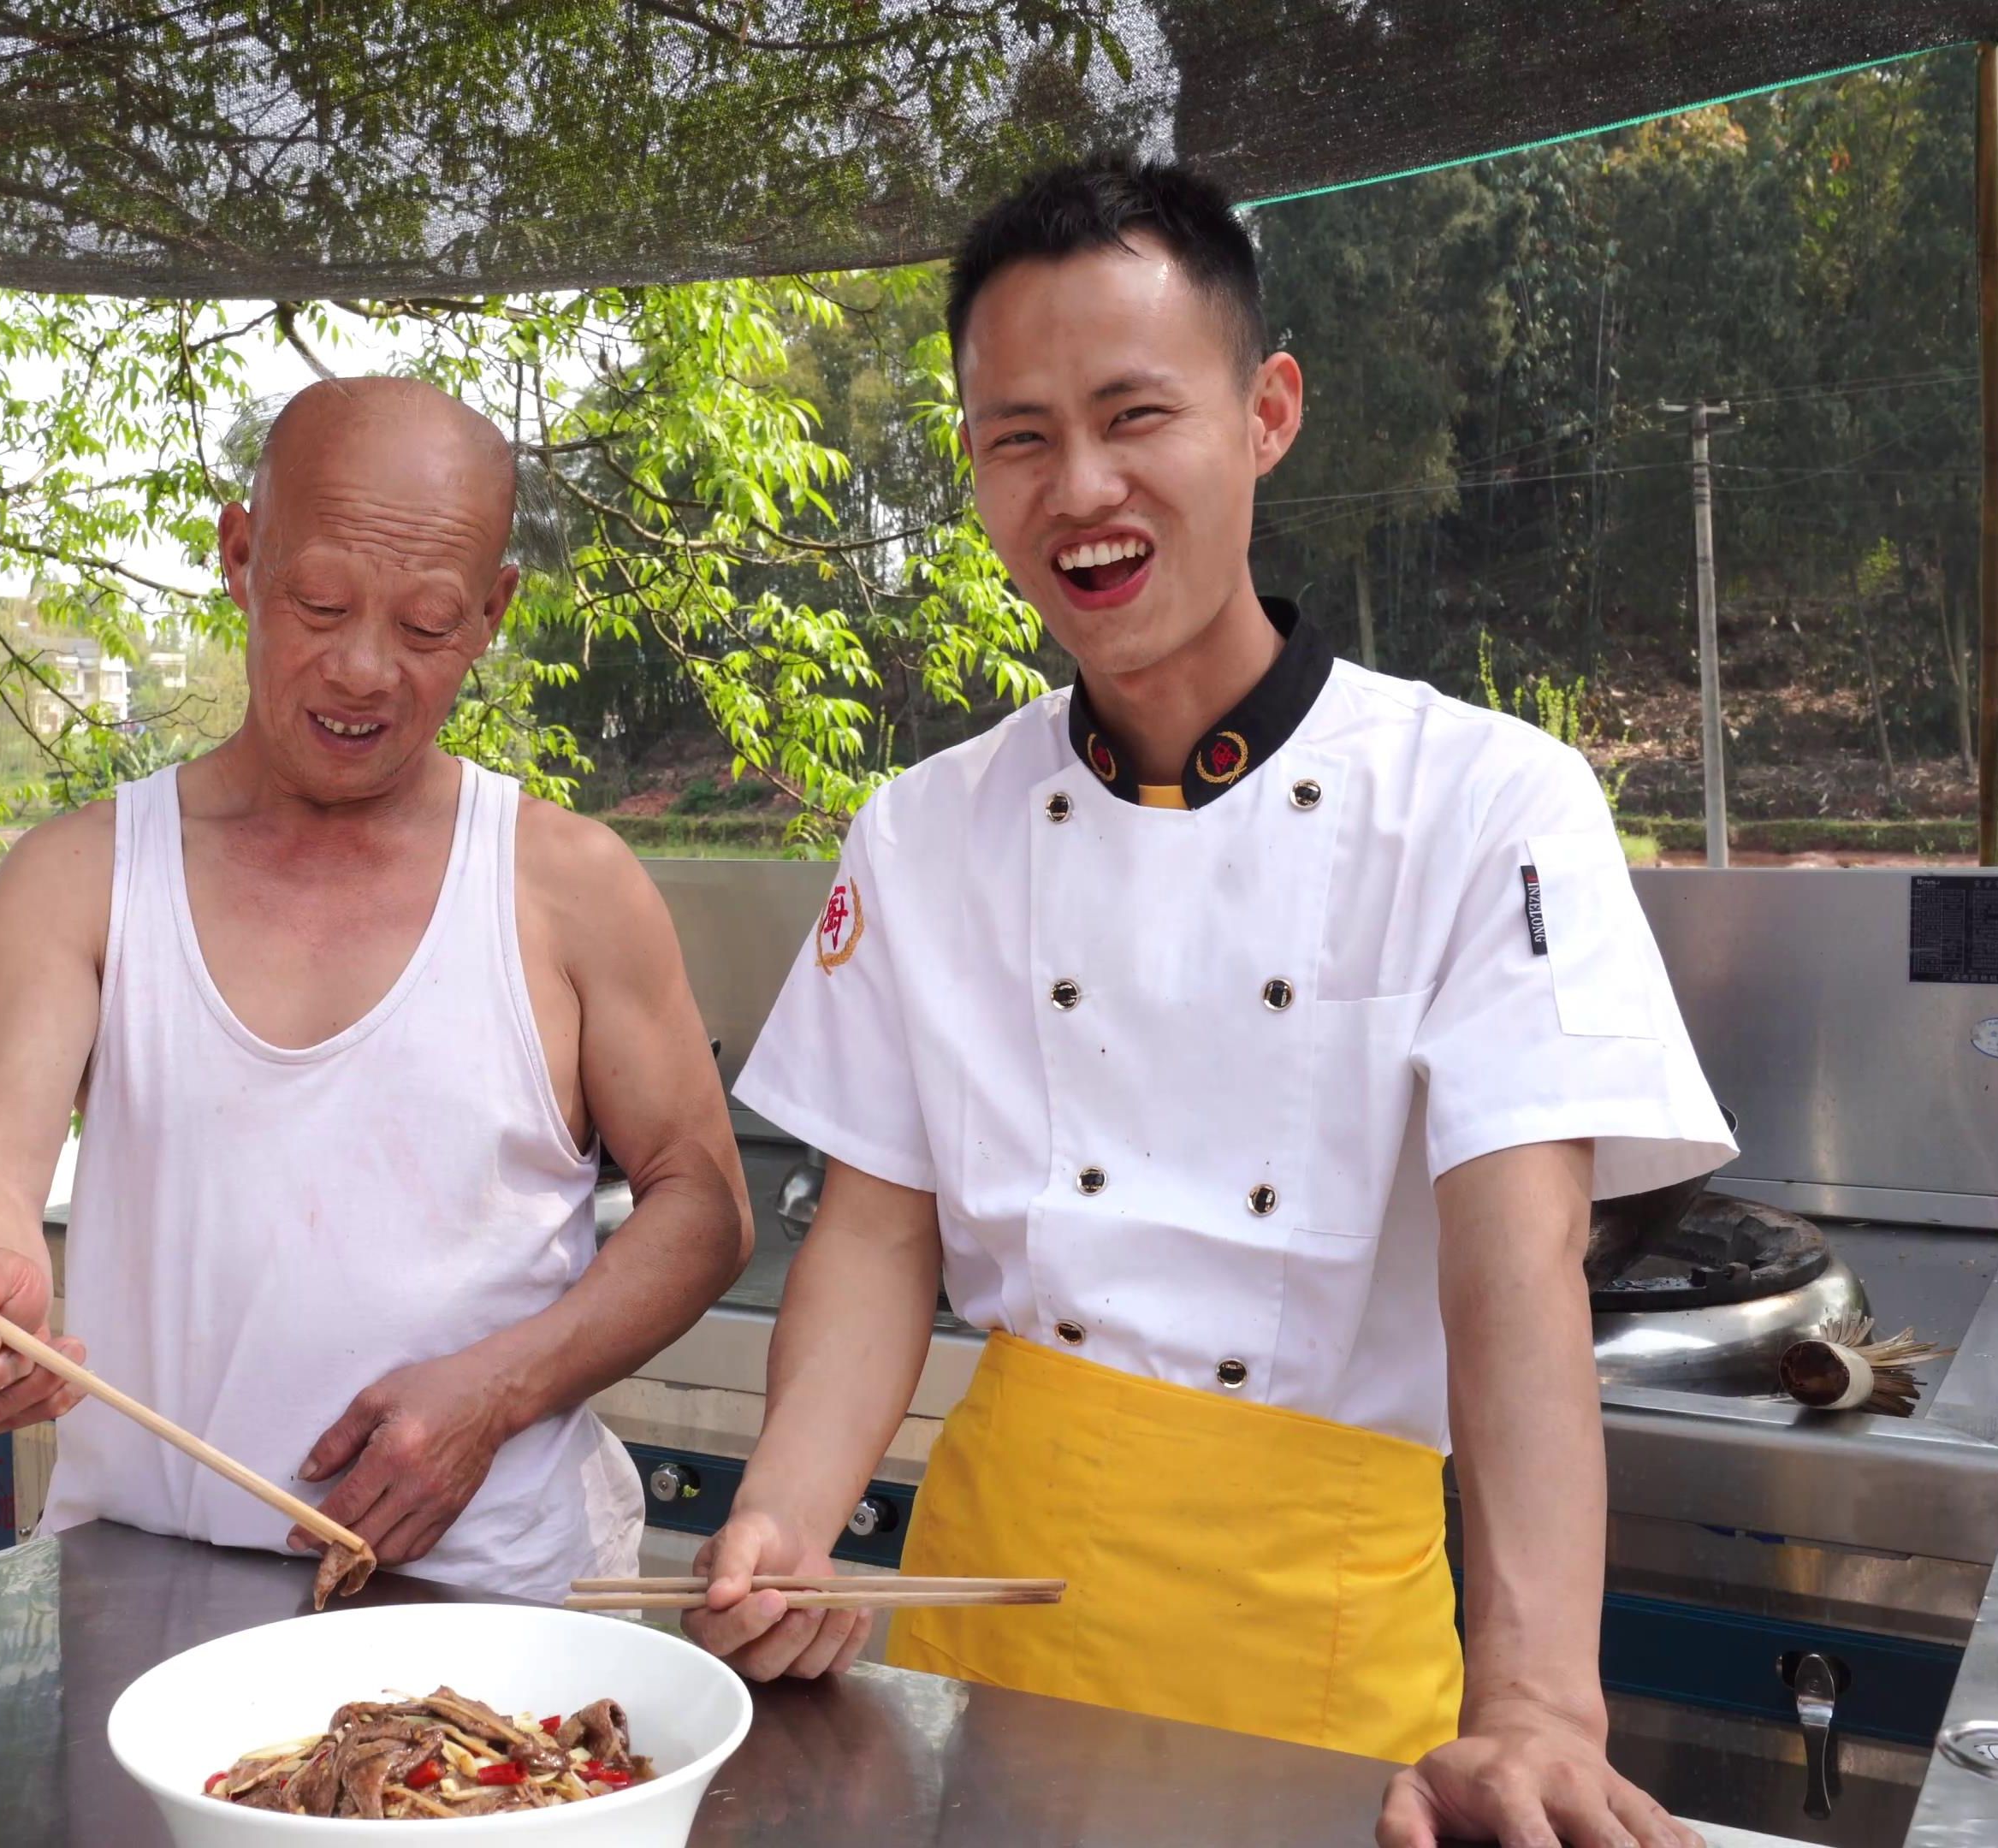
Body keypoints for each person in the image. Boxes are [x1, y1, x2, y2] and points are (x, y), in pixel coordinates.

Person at [687, 157, 1734, 1848]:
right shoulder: (925, 830)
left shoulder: (1483, 803)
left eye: (1132, 414)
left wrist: (1539, 1704)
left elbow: (1514, 1262)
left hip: (1315, 1643)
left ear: (1267, 413)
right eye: (1018, 436)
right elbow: (878, 1230)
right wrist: (792, 1523)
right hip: (991, 1626)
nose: (1079, 486)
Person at [0, 376, 751, 1603]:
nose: (362, 670)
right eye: (321, 602)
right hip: (142, 1588)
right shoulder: (83, 875)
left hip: (488, 1605)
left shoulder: (568, 886)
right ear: (241, 555)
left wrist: (502, 1391)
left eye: (429, 625)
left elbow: (703, 1208)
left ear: (495, 613)